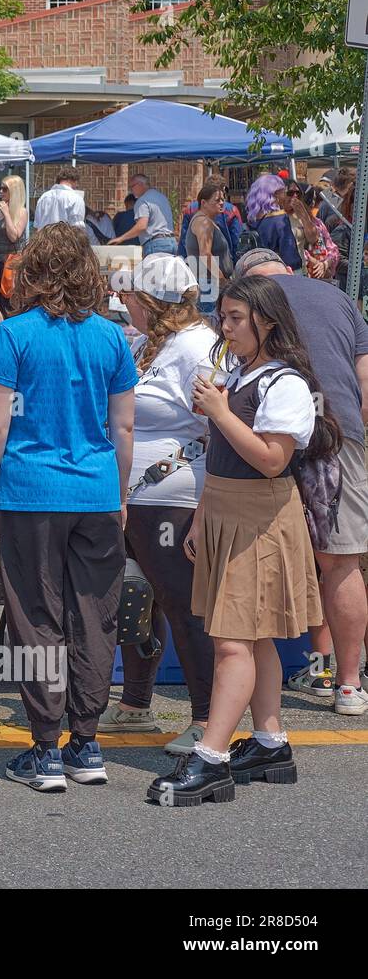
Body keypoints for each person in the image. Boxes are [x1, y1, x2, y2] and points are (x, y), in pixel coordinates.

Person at [149, 272, 335, 805]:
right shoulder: (239, 371)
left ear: (266, 322)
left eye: (235, 319)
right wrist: (205, 512)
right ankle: (271, 741)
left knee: (231, 641)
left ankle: (211, 758)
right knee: (253, 638)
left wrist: (221, 412)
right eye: (222, 317)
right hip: (229, 509)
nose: (223, 328)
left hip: (261, 517)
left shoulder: (287, 383)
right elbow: (220, 454)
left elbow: (273, 459)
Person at [0, 222, 137, 793]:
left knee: (35, 615)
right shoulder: (113, 338)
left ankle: (44, 747)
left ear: (32, 273)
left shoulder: (13, 335)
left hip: (30, 491)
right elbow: (123, 425)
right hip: (94, 490)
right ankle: (86, 741)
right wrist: (118, 494)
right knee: (95, 614)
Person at [230, 248, 368, 716]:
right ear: (288, 270)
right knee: (340, 561)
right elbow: (365, 382)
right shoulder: (339, 299)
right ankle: (346, 682)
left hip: (266, 433)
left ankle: (297, 667)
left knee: (273, 552)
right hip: (339, 433)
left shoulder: (244, 301)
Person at [97, 254, 216, 754]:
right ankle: (136, 702)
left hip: (176, 496)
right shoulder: (153, 342)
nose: (124, 304)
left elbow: (218, 426)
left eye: (132, 298)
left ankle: (208, 717)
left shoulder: (198, 348)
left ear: (154, 303)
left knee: (184, 605)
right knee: (137, 599)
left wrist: (205, 509)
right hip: (138, 498)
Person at [185, 183, 233, 312]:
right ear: (204, 203)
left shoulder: (206, 221)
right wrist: (223, 280)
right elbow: (205, 254)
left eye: (223, 199)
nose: (222, 203)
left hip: (208, 283)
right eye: (217, 200)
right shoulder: (203, 222)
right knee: (210, 323)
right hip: (208, 284)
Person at [176, 177, 243, 261]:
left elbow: (183, 243)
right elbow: (237, 243)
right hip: (218, 266)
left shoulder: (190, 209)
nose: (221, 202)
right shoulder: (231, 211)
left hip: (195, 266)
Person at [108, 173, 177, 254]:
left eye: (132, 186)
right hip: (171, 242)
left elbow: (141, 226)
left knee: (153, 267)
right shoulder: (162, 197)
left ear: (140, 184)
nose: (131, 190)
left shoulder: (142, 201)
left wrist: (121, 239)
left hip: (156, 245)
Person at [246, 172, 302, 272]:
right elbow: (290, 256)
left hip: (256, 273)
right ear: (275, 194)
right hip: (277, 274)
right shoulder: (280, 219)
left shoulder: (252, 220)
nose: (284, 195)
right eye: (283, 191)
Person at [0, 175, 27, 317]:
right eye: (0, 188)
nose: (1, 192)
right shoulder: (0, 210)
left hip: (11, 262)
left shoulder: (21, 212)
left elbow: (14, 236)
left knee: (9, 301)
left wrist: (7, 214)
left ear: (15, 191)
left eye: (5, 189)